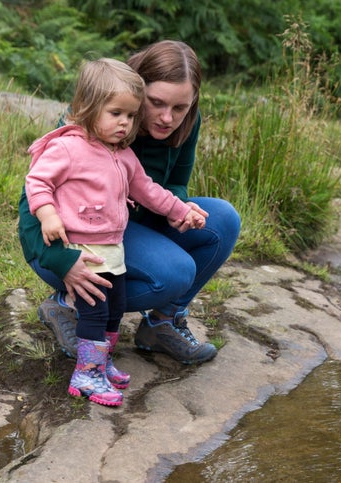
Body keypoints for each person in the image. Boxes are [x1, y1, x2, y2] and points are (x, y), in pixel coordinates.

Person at [18, 40, 241, 367]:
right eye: (156, 103)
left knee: (223, 220)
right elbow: (32, 197)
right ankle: (69, 304)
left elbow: (174, 181)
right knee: (175, 273)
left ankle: (162, 324)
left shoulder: (186, 120)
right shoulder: (98, 114)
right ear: (137, 89)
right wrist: (59, 258)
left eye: (180, 108)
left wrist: (178, 207)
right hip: (76, 239)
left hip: (127, 222)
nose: (168, 118)